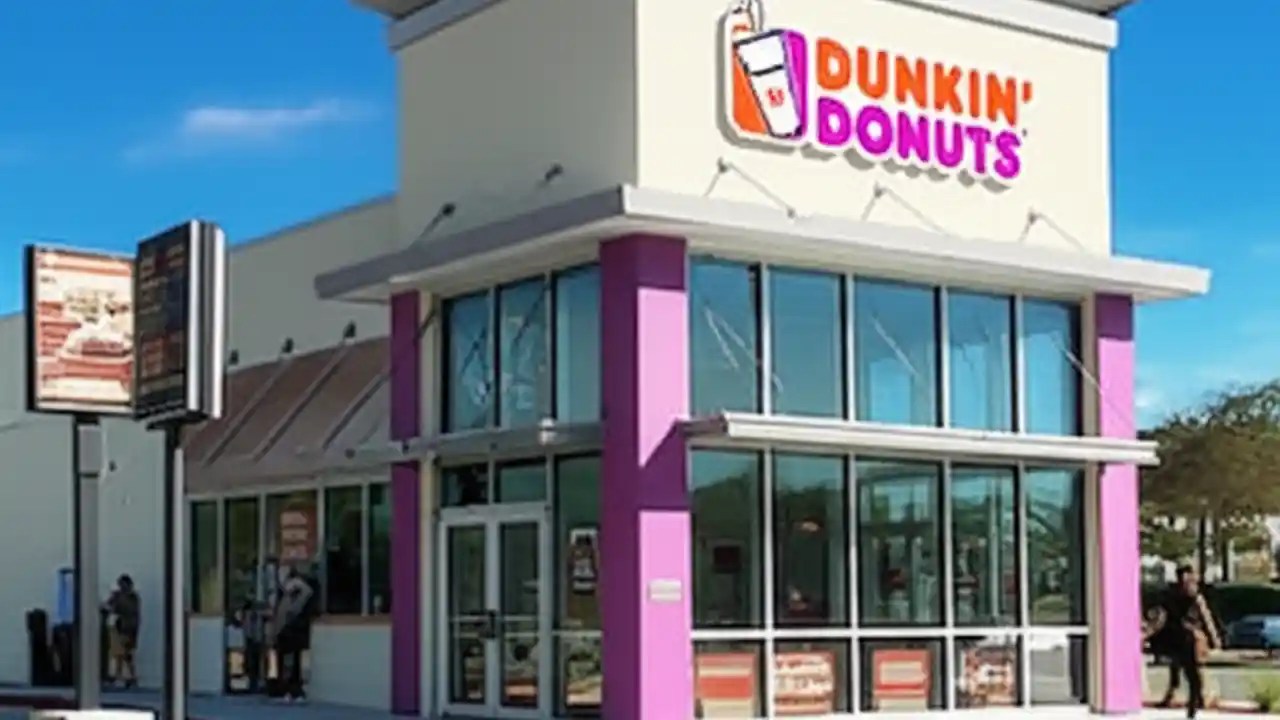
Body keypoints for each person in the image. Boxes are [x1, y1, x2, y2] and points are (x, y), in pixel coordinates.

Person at [1145, 566, 1221, 718]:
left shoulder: (1173, 596)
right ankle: (1193, 704)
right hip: (1188, 638)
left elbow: (1161, 617)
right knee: (1191, 674)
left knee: (1186, 672)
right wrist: (1214, 639)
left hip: (1180, 637)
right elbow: (1206, 618)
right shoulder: (1191, 597)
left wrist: (1150, 633)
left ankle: (1192, 702)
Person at [271, 567, 315, 703]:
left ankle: (294, 690)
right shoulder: (287, 593)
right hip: (287, 631)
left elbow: (291, 611)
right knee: (289, 662)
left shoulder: (298, 591)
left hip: (292, 631)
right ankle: (289, 689)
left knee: (293, 662)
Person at [102, 574, 140, 689]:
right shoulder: (130, 597)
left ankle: (124, 677)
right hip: (123, 628)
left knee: (123, 653)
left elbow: (114, 607)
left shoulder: (128, 598)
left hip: (126, 628)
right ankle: (126, 677)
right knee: (122, 654)